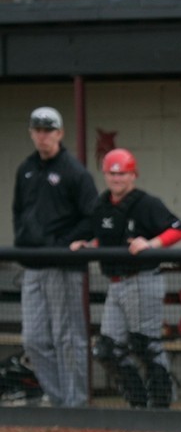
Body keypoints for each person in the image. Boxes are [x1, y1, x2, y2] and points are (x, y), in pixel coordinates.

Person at [70, 148, 181, 408]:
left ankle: (161, 403)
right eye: (112, 174)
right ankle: (138, 401)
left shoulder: (146, 203)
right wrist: (90, 245)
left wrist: (151, 243)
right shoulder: (100, 205)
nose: (116, 179)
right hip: (116, 283)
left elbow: (179, 229)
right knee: (106, 349)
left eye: (122, 174)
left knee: (145, 345)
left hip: (142, 279)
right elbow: (106, 237)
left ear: (133, 175)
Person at [12, 106, 98, 407]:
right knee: (33, 339)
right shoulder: (25, 169)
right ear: (31, 133)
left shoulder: (74, 172)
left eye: (48, 130)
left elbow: (92, 216)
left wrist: (66, 243)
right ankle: (58, 398)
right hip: (32, 265)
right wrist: (22, 239)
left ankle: (75, 405)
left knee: (67, 337)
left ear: (59, 133)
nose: (42, 136)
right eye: (37, 130)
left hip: (63, 266)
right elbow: (18, 210)